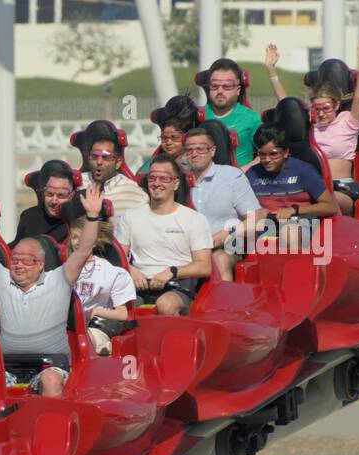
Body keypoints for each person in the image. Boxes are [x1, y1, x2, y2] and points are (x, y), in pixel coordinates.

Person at [0, 177, 104, 396]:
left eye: (26, 260)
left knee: (50, 380)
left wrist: (93, 216)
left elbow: (84, 250)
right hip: (8, 366)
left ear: (40, 265)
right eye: (15, 259)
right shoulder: (2, 278)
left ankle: (54, 428)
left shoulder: (59, 279)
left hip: (50, 365)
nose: (19, 265)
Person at [265, 38, 359, 215]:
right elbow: (286, 104)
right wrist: (271, 70)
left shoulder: (348, 122)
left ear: (337, 105)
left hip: (340, 189)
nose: (321, 113)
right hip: (310, 187)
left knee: (324, 200)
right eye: (317, 108)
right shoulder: (310, 124)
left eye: (326, 108)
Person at [113, 155, 213, 316]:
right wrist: (130, 269)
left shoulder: (194, 219)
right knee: (120, 306)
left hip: (177, 287)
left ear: (176, 183)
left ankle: (176, 340)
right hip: (140, 285)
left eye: (164, 178)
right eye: (152, 178)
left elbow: (204, 266)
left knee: (166, 304)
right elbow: (118, 257)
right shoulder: (131, 216)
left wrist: (172, 272)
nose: (157, 183)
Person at [182, 127, 268, 281]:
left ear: (212, 151)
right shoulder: (178, 180)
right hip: (184, 248)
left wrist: (227, 234)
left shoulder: (231, 176)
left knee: (218, 259)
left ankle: (224, 305)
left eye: (200, 149)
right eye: (189, 150)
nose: (194, 154)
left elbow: (257, 218)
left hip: (225, 247)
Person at [69, 219, 137, 356]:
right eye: (75, 237)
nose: (78, 241)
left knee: (78, 341)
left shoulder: (111, 272)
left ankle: (106, 348)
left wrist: (96, 311)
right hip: (66, 328)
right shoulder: (60, 271)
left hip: (96, 327)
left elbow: (124, 314)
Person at [245, 127, 339, 221]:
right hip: (263, 226)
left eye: (273, 154)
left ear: (286, 153)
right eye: (262, 154)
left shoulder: (304, 171)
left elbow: (331, 207)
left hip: (296, 223)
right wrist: (255, 211)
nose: (267, 160)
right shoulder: (252, 174)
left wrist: (294, 210)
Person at [201, 58, 261, 168]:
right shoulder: (198, 115)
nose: (219, 91)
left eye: (226, 86)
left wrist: (244, 171)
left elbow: (265, 152)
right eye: (214, 86)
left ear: (238, 90)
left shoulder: (251, 118)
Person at [77, 126, 148, 216]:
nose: (99, 162)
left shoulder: (135, 193)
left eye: (106, 157)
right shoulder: (76, 184)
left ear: (118, 162)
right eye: (94, 156)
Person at [12, 159, 78, 247]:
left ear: (72, 195)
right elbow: (15, 248)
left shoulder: (78, 223)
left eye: (61, 195)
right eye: (49, 194)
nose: (54, 201)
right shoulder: (29, 216)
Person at [137, 95, 199, 176]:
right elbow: (140, 175)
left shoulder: (194, 163)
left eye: (175, 137)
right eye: (164, 138)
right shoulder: (155, 161)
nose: (168, 142)